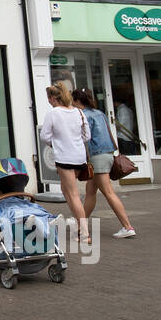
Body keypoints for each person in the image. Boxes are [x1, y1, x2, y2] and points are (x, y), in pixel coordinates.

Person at [72, 88, 136, 238]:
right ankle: (80, 225)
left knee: (108, 192)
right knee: (90, 191)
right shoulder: (99, 113)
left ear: (77, 101)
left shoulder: (82, 115)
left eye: (73, 100)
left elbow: (83, 137)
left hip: (96, 156)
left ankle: (127, 226)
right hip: (107, 154)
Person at [39, 82, 91, 247]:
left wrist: (57, 143)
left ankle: (84, 233)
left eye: (48, 97)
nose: (48, 100)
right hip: (79, 156)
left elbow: (45, 136)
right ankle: (79, 226)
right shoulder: (78, 112)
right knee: (66, 190)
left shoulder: (53, 113)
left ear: (53, 98)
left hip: (65, 157)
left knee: (73, 194)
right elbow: (86, 136)